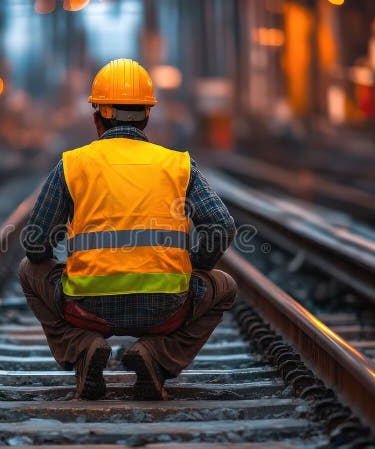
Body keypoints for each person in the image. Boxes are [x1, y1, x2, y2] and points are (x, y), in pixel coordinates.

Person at [18, 58, 237, 401]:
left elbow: (34, 246)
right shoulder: (178, 164)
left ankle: (82, 348)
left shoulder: (72, 165)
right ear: (147, 116)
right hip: (167, 308)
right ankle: (157, 356)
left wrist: (69, 246)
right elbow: (221, 225)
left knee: (28, 270)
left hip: (87, 308)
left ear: (97, 117)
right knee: (224, 286)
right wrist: (193, 266)